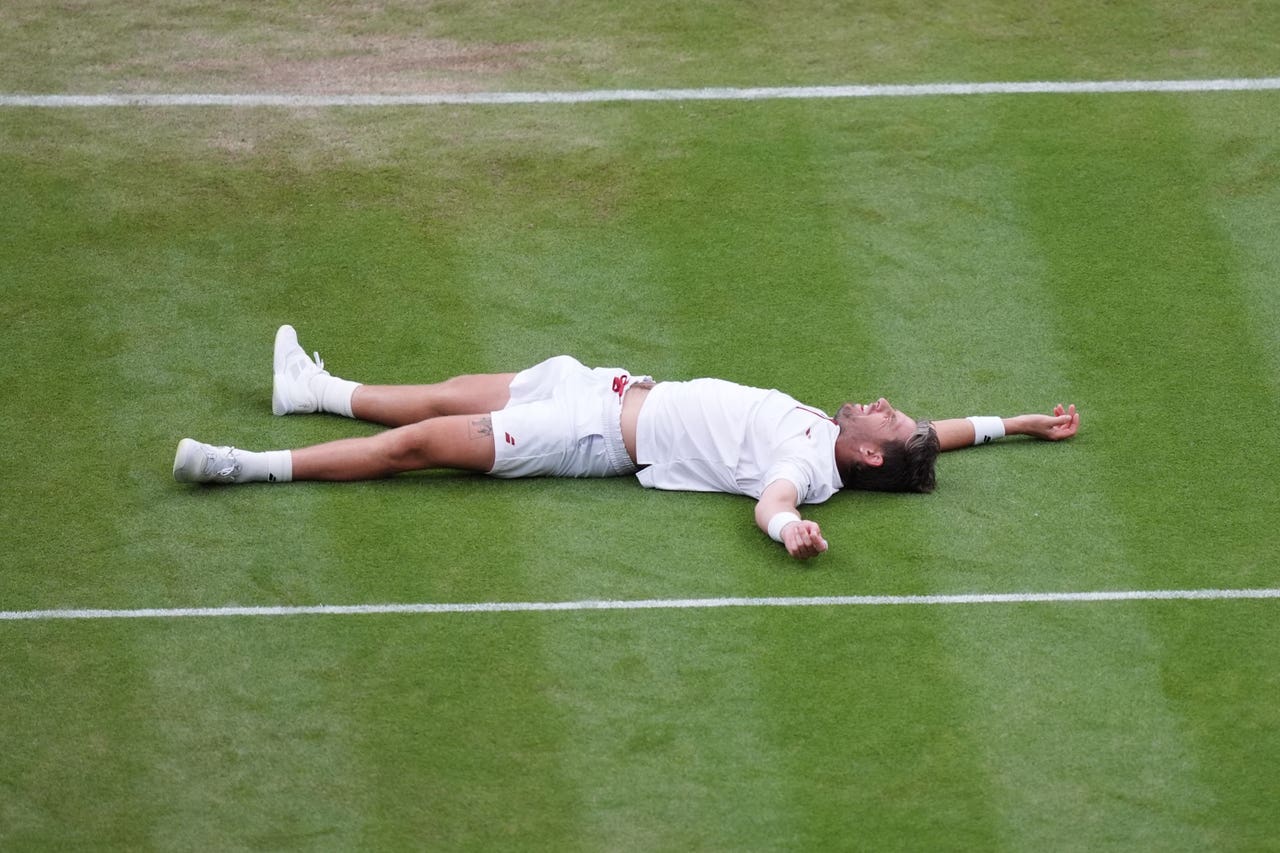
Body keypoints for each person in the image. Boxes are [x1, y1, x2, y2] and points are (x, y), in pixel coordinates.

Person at [174, 325, 1080, 559]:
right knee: (449, 390)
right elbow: (935, 439)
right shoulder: (863, 444)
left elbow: (772, 501)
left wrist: (788, 530)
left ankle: (243, 467)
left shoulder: (808, 467)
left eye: (889, 416)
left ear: (869, 455)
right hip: (603, 385)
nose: (885, 402)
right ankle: (312, 391)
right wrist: (1016, 423)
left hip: (587, 433)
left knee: (421, 444)